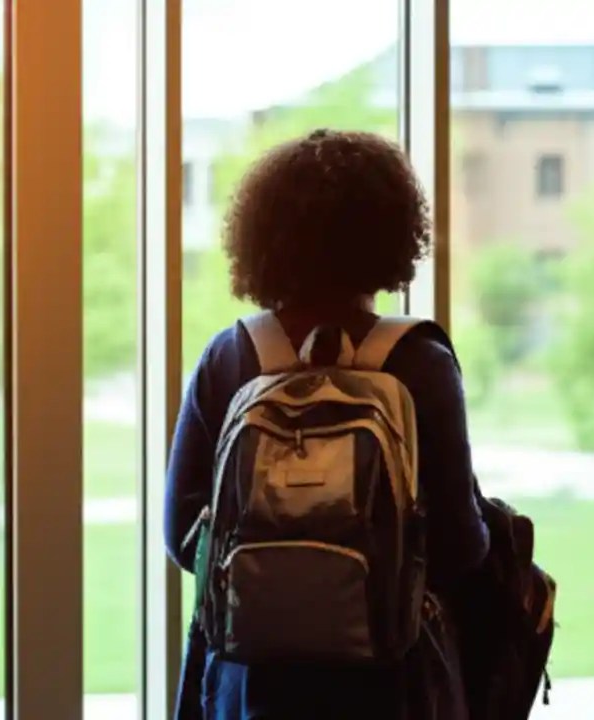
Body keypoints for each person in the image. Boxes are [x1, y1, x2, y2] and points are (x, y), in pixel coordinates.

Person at [164, 129, 490, 719]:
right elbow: (459, 548)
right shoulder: (420, 361)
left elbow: (184, 537)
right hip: (390, 689)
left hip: (251, 688)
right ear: (393, 233)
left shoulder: (232, 357)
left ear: (260, 238)